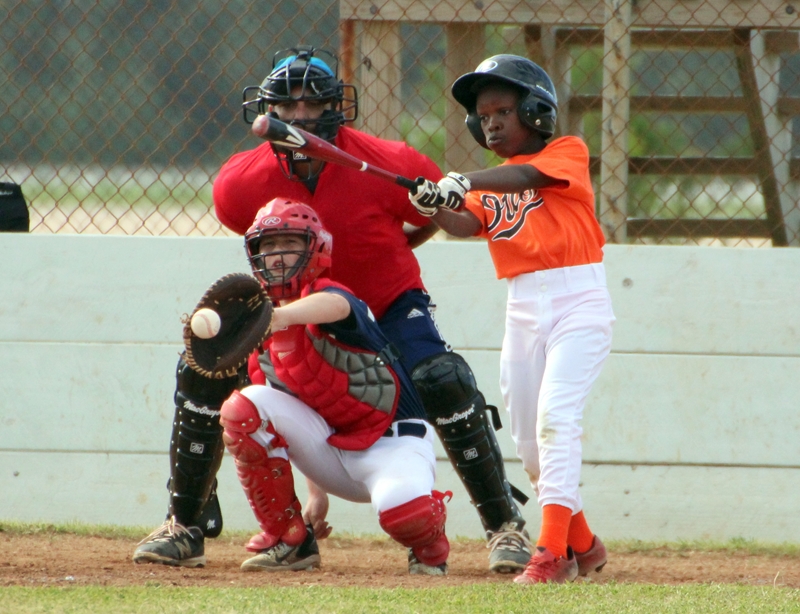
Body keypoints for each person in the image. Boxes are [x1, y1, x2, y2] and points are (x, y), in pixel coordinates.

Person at [133, 46, 530, 573]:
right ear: (268, 112)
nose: (299, 117)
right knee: (203, 364)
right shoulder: (238, 183)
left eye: (313, 104)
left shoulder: (392, 162)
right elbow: (262, 247)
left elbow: (436, 210)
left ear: (335, 109)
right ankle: (186, 523)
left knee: (444, 376)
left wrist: (397, 245)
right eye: (287, 105)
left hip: (388, 307)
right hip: (297, 313)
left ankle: (504, 527)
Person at [407, 54, 615, 584]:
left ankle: (551, 554)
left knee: (556, 421)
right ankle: (584, 543)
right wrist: (433, 202)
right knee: (527, 439)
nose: (491, 121)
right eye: (484, 115)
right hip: (522, 308)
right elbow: (461, 222)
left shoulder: (565, 152)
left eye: (504, 109)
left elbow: (524, 175)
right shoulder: (485, 184)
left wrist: (460, 178)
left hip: (578, 303)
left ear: (536, 111)